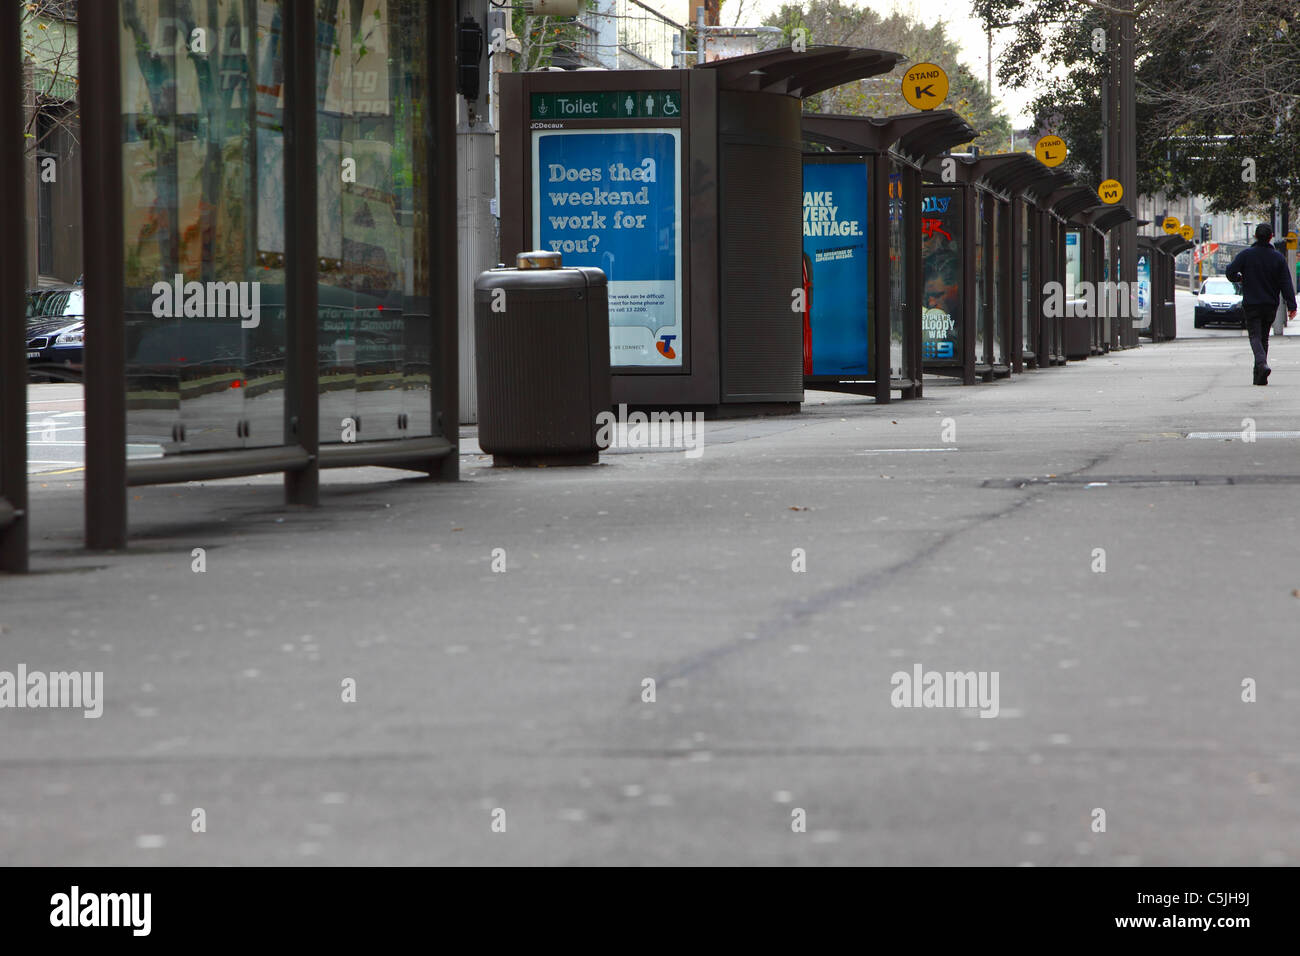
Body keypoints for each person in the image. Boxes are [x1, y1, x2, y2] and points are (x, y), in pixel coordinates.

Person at [1225, 224, 1297, 385]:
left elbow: (1230, 271)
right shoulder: (1278, 258)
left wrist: (1239, 278)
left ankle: (1261, 363)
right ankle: (1260, 377)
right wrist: (1292, 305)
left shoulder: (1246, 255)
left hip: (1252, 303)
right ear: (1271, 236)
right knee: (1264, 338)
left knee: (1255, 336)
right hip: (1270, 304)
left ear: (1255, 236)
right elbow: (1286, 282)